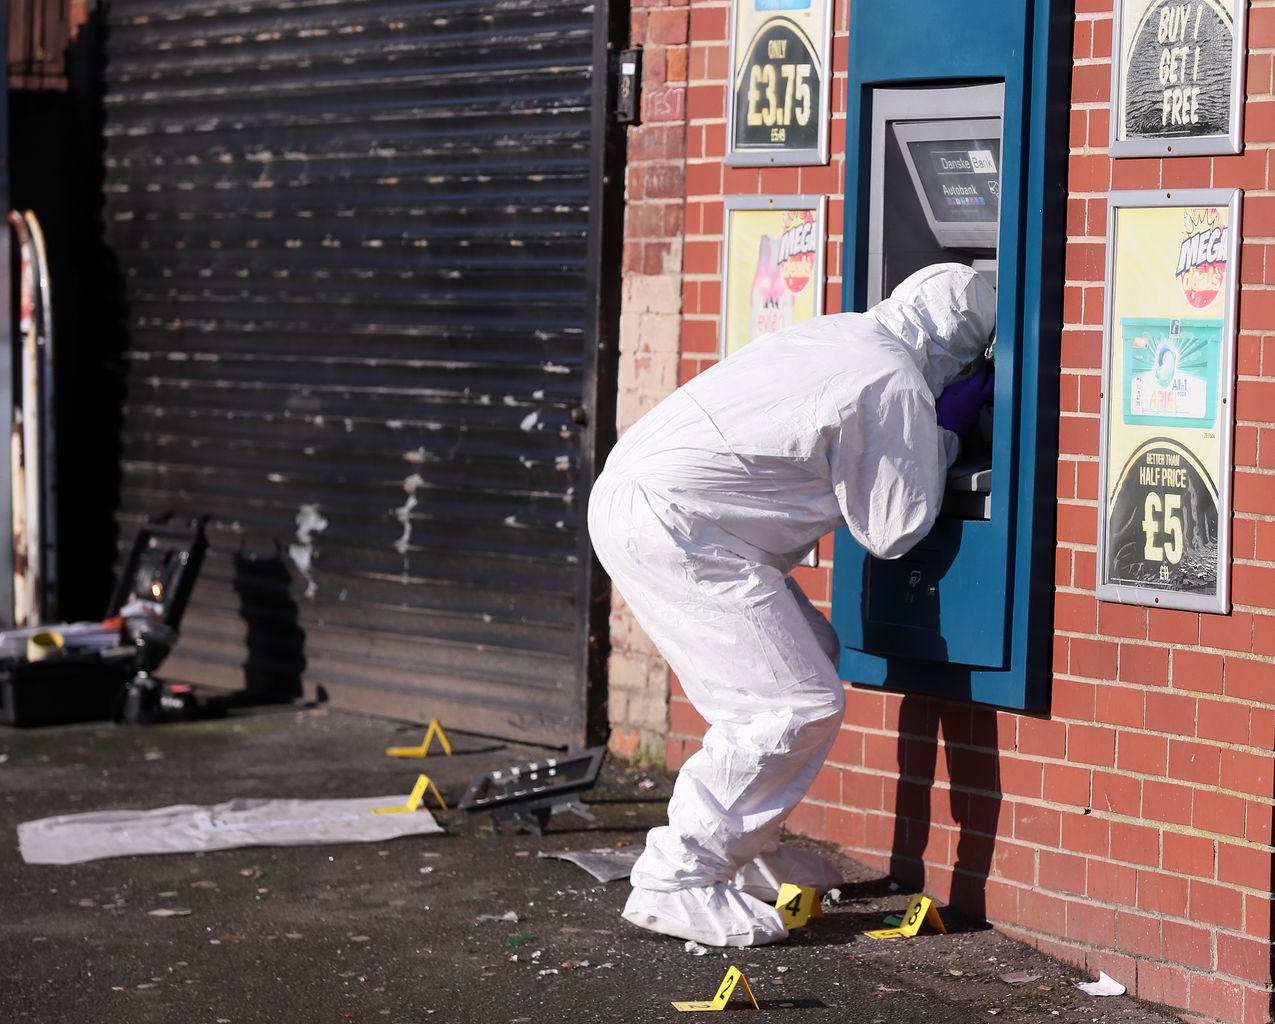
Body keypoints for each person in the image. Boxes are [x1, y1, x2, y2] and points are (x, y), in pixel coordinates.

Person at [587, 263, 996, 948]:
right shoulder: (892, 377)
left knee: (807, 662)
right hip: (681, 529)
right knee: (791, 704)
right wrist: (944, 427)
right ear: (956, 349)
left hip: (641, 504)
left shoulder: (842, 332)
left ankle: (747, 847)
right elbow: (893, 528)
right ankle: (678, 876)